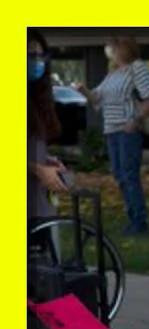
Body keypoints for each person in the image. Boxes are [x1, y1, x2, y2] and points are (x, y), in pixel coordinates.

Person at [73, 37, 149, 235]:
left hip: (127, 130)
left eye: (112, 47)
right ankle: (133, 218)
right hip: (111, 130)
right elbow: (97, 97)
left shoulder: (136, 68)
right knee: (120, 176)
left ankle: (139, 222)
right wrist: (82, 90)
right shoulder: (113, 73)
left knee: (129, 176)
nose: (108, 50)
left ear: (123, 48)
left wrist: (135, 120)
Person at [28, 29, 68, 223]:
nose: (37, 61)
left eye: (40, 55)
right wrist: (37, 168)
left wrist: (44, 160)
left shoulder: (35, 98)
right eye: (30, 55)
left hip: (36, 205)